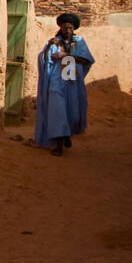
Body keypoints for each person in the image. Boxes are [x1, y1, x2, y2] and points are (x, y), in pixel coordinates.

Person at [34, 12, 95, 157]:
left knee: (71, 112)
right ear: (60, 27)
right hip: (56, 82)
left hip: (72, 82)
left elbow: (86, 60)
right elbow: (43, 58)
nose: (67, 31)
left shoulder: (79, 42)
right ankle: (59, 145)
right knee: (58, 111)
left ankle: (66, 134)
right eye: (65, 27)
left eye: (70, 28)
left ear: (74, 29)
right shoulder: (54, 42)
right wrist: (49, 48)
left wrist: (66, 56)